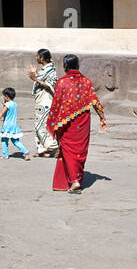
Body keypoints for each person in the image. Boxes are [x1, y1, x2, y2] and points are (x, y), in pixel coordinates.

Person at [46, 54, 107, 194]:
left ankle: (75, 181)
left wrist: (53, 122)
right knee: (79, 151)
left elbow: (56, 104)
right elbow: (95, 102)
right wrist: (102, 118)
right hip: (83, 122)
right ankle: (75, 178)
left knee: (68, 150)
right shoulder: (86, 82)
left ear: (65, 66)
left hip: (68, 124)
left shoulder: (62, 82)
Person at [27, 48, 58, 157]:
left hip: (46, 99)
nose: (36, 58)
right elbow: (39, 79)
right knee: (38, 123)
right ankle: (43, 149)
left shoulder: (50, 70)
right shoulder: (44, 69)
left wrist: (35, 78)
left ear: (42, 57)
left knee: (44, 124)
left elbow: (50, 85)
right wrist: (35, 75)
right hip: (40, 99)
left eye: (37, 56)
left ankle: (54, 146)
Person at [0, 87, 29, 160]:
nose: (3, 97)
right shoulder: (15, 104)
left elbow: (2, 113)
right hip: (14, 126)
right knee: (15, 141)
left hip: (7, 126)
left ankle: (5, 155)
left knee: (4, 140)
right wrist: (5, 104)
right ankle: (25, 151)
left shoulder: (8, 105)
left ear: (6, 96)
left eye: (4, 96)